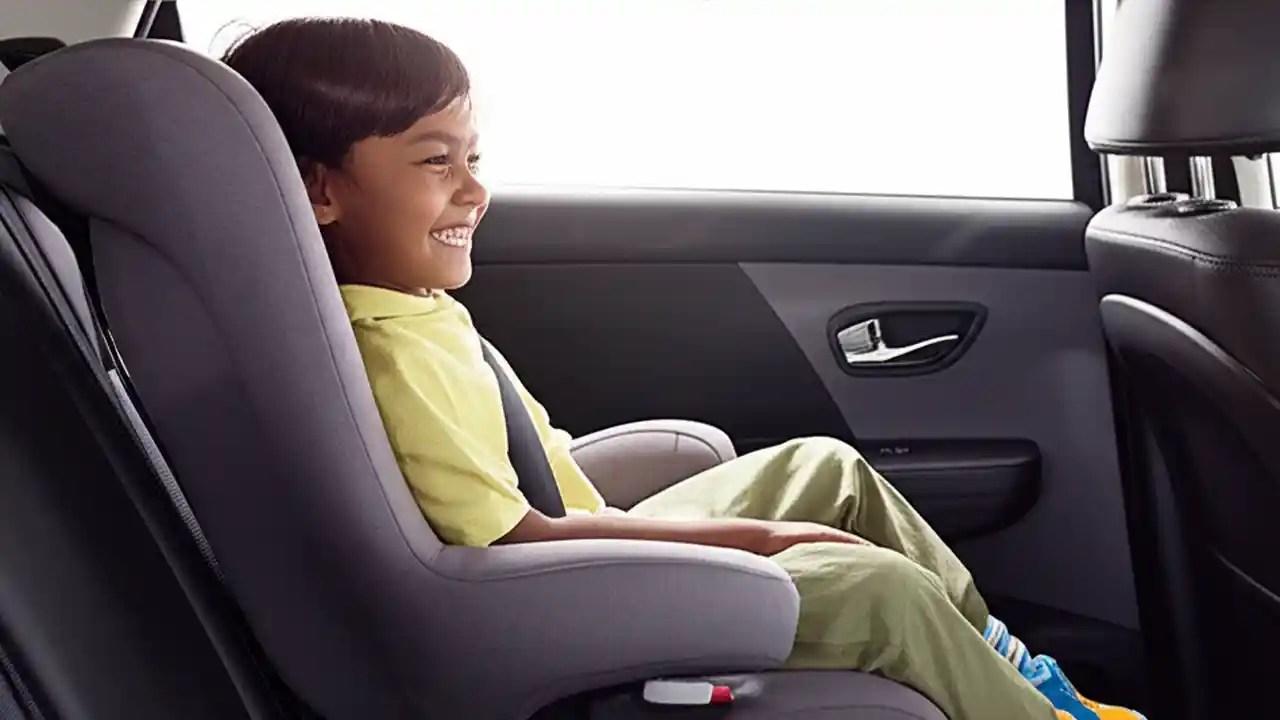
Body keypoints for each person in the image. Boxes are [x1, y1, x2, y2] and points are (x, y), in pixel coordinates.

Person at [223, 17, 1145, 720]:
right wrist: (760, 542)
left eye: (475, 156)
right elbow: (513, 543)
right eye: (436, 161)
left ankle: (1009, 666)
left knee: (826, 467)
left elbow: (540, 482)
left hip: (582, 545)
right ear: (319, 188)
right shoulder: (390, 352)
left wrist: (734, 531)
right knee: (881, 591)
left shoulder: (409, 309)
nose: (475, 188)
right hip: (557, 596)